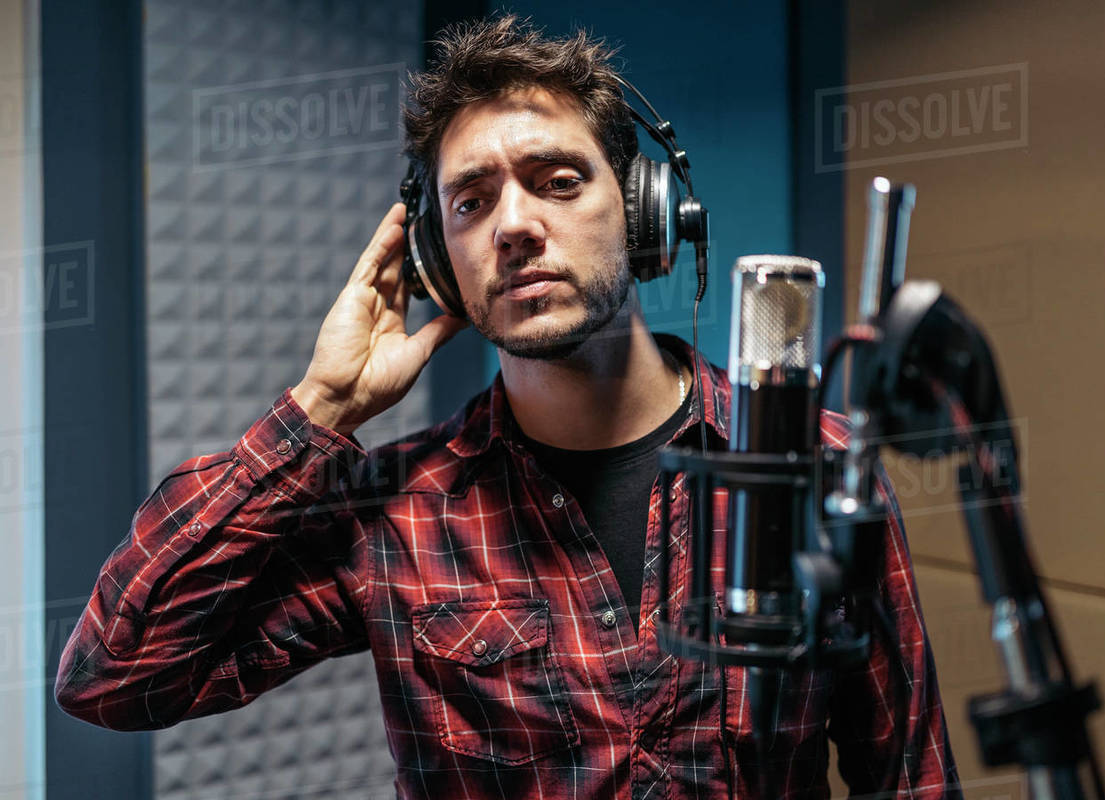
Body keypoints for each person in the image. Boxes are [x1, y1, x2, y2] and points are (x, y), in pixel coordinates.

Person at [56, 14, 960, 799]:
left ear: (644, 212)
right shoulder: (394, 513)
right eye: (472, 202)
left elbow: (910, 777)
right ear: (437, 260)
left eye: (558, 181)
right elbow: (113, 677)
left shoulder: (819, 471)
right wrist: (322, 406)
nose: (515, 225)